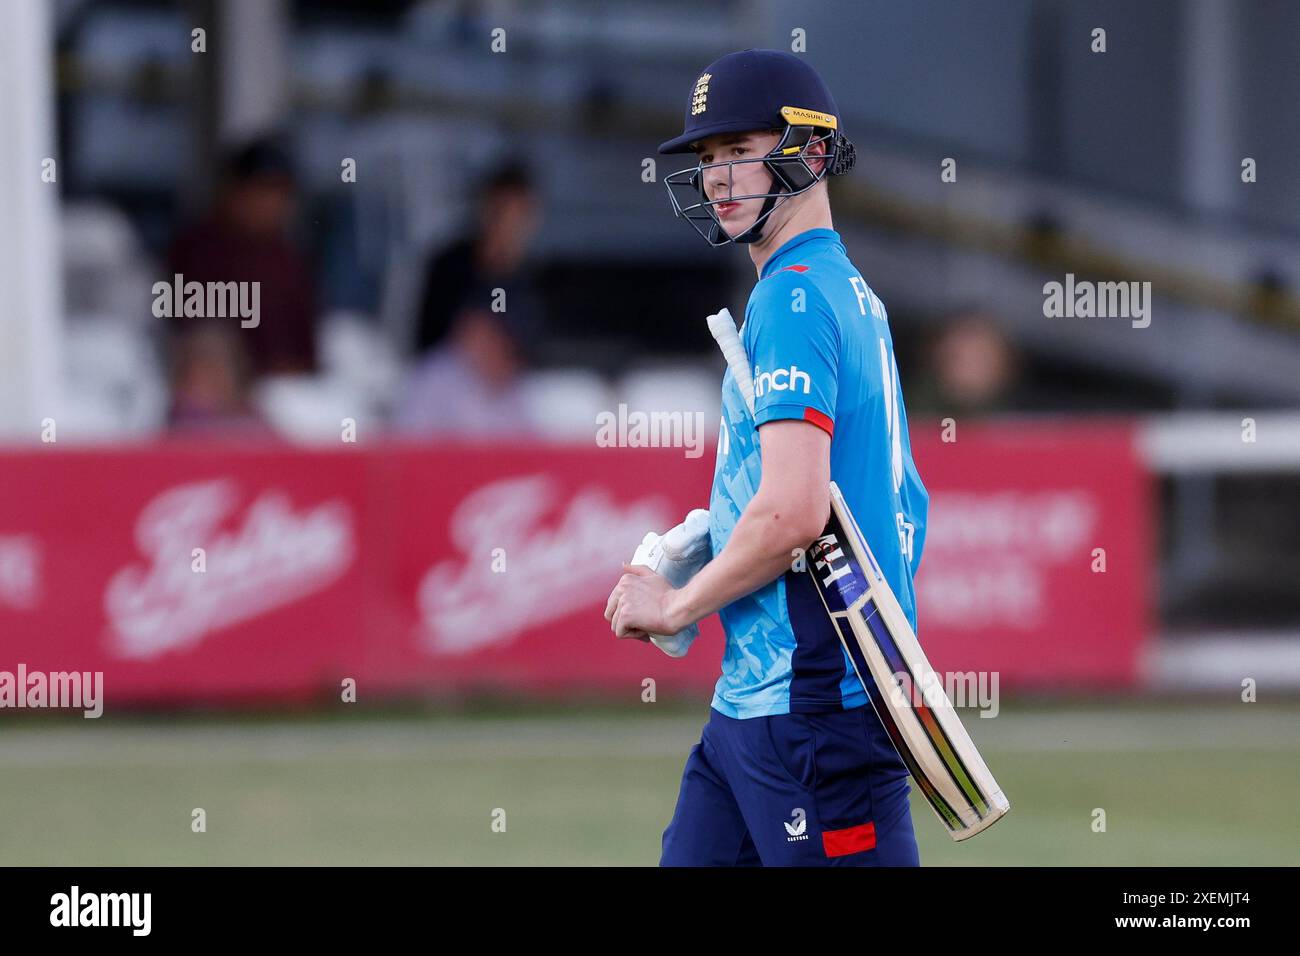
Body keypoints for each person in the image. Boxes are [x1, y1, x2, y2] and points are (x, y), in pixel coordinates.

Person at [604, 50, 929, 866]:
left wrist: (677, 607)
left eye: (740, 150)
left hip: (815, 713)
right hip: (758, 708)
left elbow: (793, 512)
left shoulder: (793, 298)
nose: (717, 178)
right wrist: (724, 532)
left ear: (810, 152)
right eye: (707, 157)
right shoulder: (845, 290)